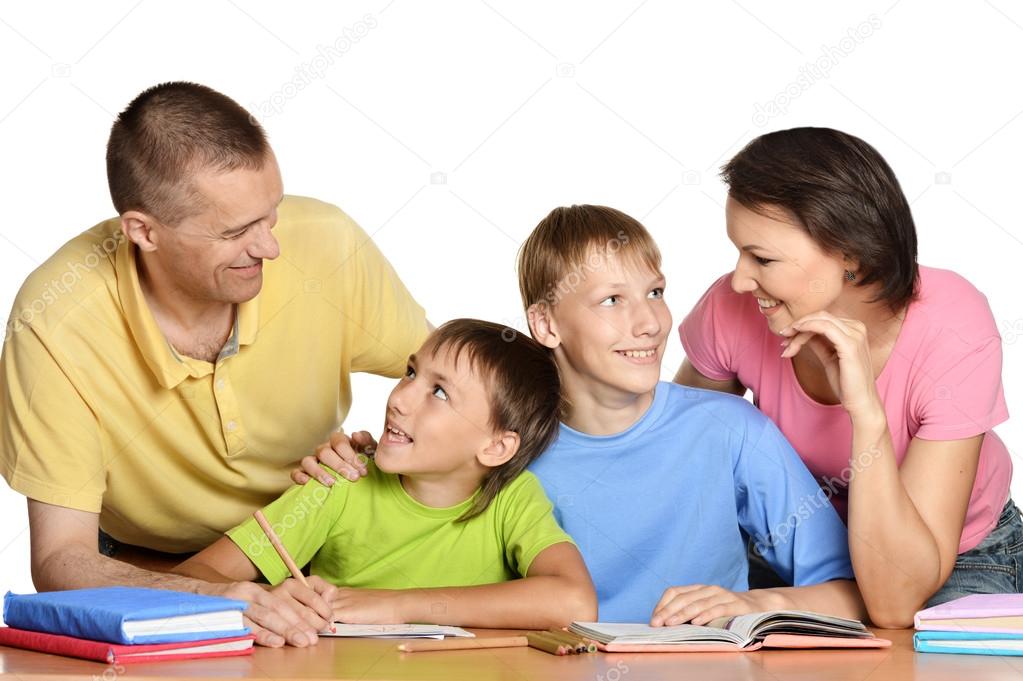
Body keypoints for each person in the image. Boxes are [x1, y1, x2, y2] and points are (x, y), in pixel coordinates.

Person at [0, 82, 428, 646]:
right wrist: (218, 598)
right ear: (143, 231)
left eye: (271, 214)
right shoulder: (54, 318)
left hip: (316, 562)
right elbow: (60, 561)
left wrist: (393, 449)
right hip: (149, 574)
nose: (270, 248)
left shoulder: (326, 240)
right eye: (235, 232)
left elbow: (471, 391)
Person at [296, 205, 866, 625]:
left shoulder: (730, 431)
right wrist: (362, 458)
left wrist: (752, 603)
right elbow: (408, 527)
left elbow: (850, 593)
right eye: (612, 300)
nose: (650, 323)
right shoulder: (500, 447)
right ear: (545, 326)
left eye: (656, 292)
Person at [675, 127, 1016, 627]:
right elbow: (681, 454)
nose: (740, 280)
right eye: (739, 252)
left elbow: (894, 604)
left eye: (762, 258)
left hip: (951, 558)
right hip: (797, 544)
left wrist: (867, 416)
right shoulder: (733, 306)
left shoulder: (955, 326)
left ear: (850, 256)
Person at [174, 319, 596, 642]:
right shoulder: (338, 482)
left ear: (496, 448)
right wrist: (265, 602)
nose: (400, 398)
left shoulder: (512, 497)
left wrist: (399, 606)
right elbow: (196, 573)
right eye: (411, 373)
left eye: (440, 393)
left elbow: (575, 601)